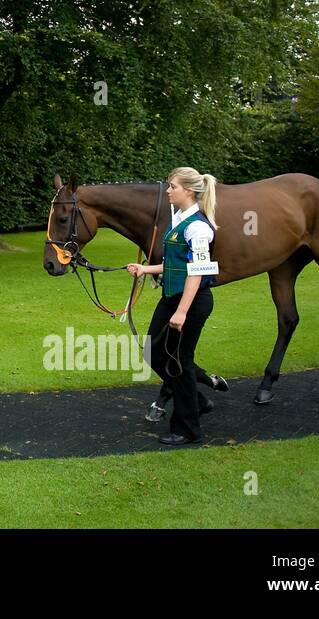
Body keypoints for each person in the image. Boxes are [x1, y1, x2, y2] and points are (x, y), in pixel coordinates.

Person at [127, 167, 220, 445]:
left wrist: (182, 311)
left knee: (181, 361)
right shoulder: (179, 219)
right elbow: (174, 263)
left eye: (173, 187)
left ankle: (188, 429)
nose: (168, 191)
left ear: (189, 191)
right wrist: (146, 269)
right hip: (171, 298)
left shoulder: (198, 226)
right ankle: (196, 400)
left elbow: (198, 270)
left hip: (191, 302)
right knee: (153, 351)